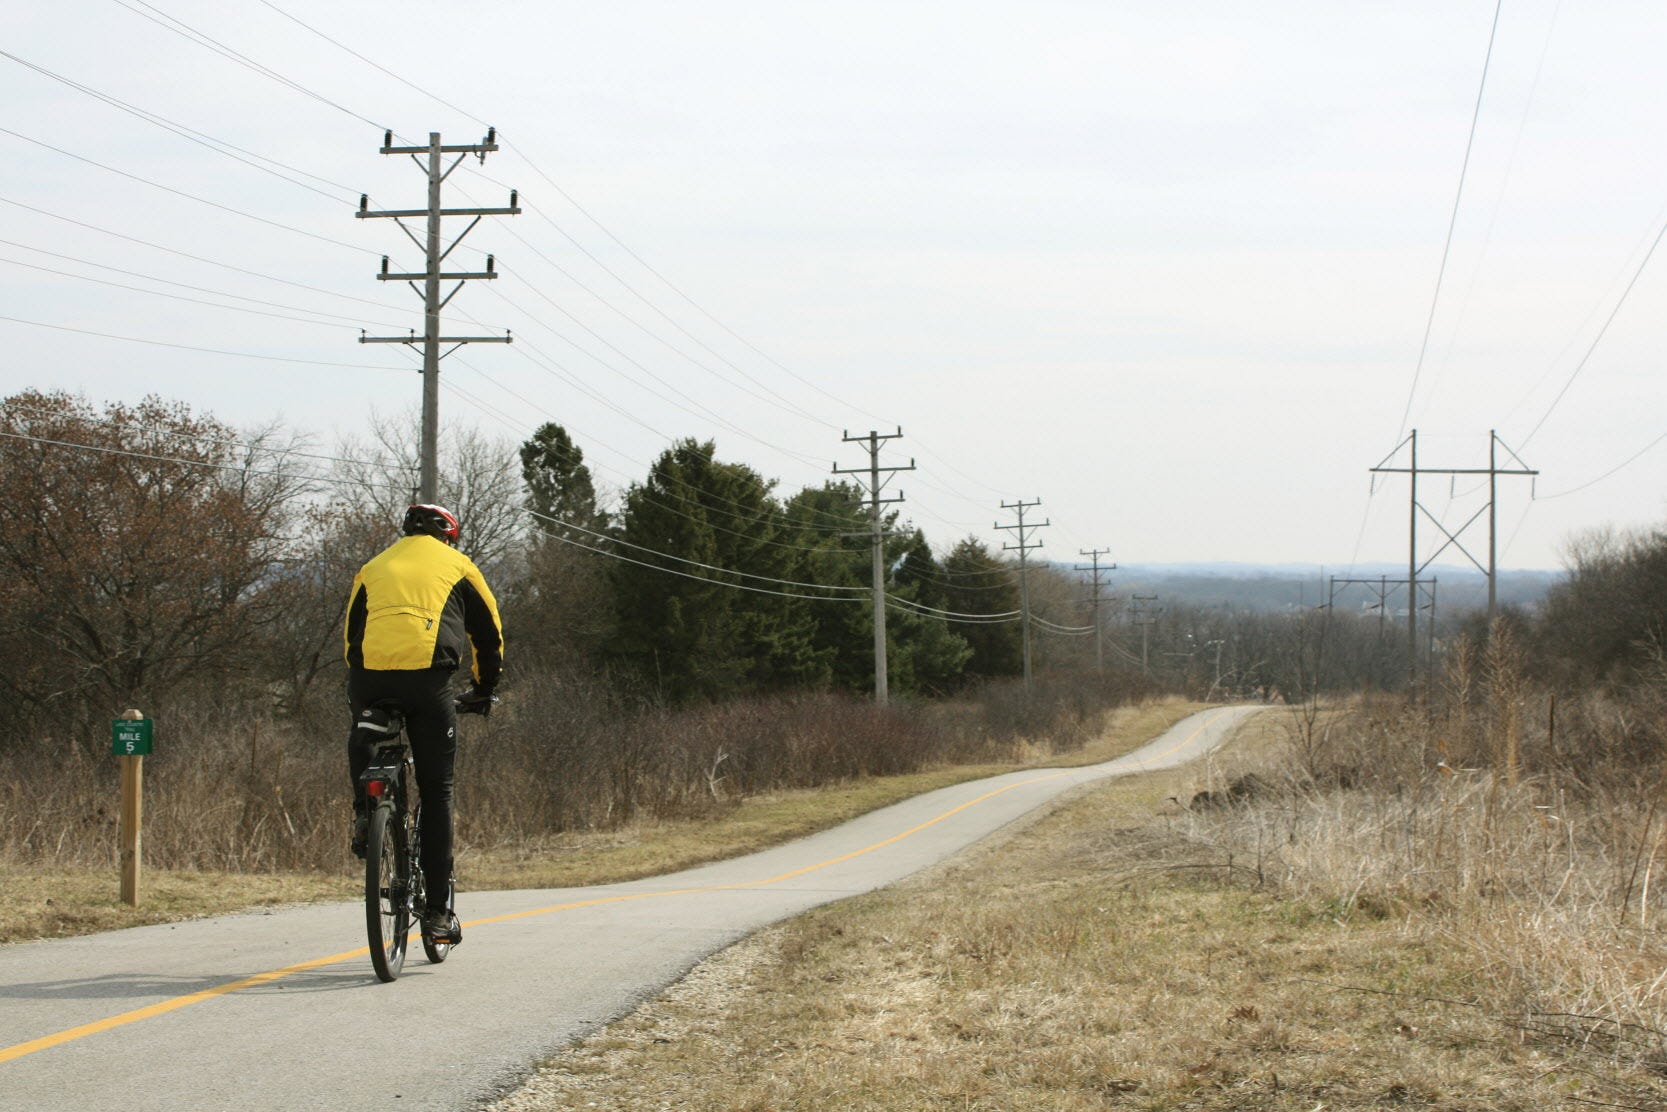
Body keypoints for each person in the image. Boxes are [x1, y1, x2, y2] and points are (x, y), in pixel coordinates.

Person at [344, 503, 504, 944]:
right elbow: (487, 633)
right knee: (437, 790)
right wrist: (485, 687)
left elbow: (352, 634)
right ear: (449, 537)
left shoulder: (373, 567)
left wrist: (358, 691)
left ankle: (363, 812)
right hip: (428, 681)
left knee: (363, 733)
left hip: (369, 679)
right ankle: (436, 914)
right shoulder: (458, 565)